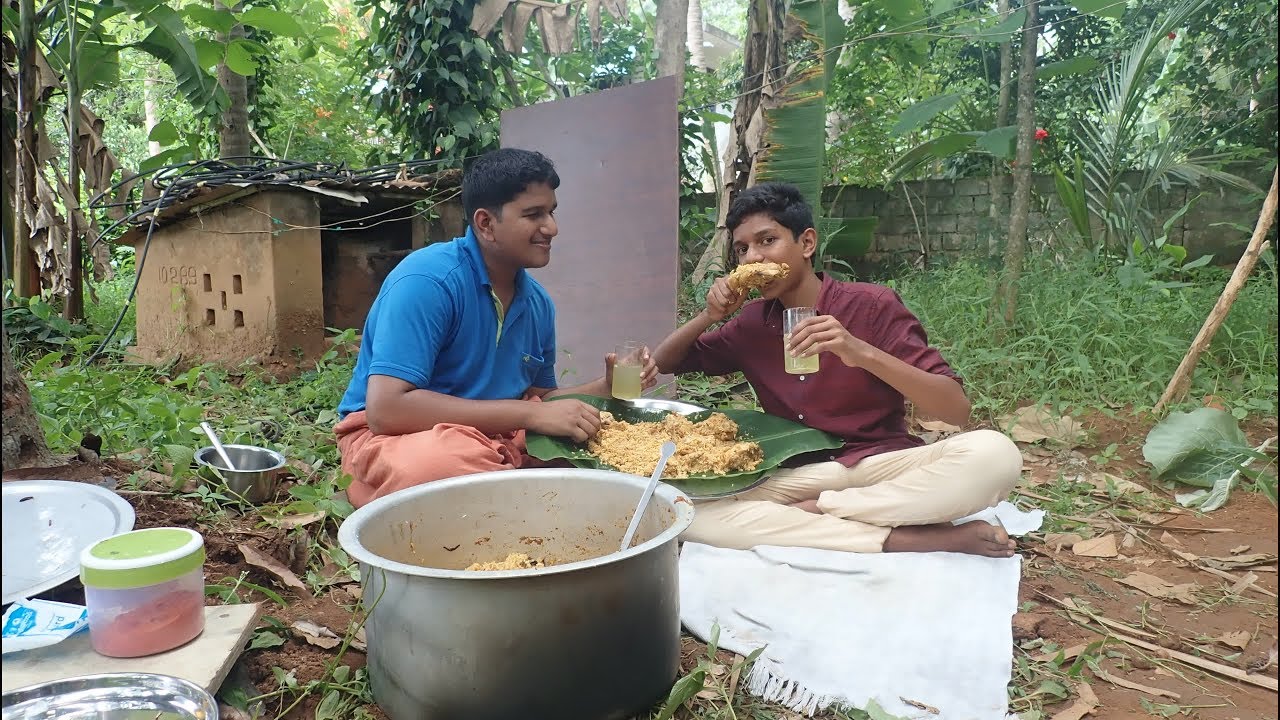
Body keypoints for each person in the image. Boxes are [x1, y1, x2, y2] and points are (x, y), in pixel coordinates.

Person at [652, 182, 1022, 557]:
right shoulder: (752, 324)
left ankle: (819, 514)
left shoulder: (872, 306)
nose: (752, 259)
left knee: (995, 455)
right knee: (684, 511)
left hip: (880, 463)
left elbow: (955, 409)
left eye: (767, 241)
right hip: (799, 474)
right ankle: (906, 537)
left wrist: (859, 351)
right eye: (742, 249)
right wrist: (708, 316)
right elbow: (665, 363)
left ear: (807, 244)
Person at [334, 148, 656, 507]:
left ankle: (504, 482)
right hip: (402, 435)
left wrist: (605, 388)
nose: (552, 227)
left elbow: (540, 399)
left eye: (551, 212)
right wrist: (530, 414)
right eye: (534, 214)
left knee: (610, 447)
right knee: (438, 466)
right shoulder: (428, 280)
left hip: (496, 432)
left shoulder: (536, 303)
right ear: (485, 223)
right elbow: (386, 411)